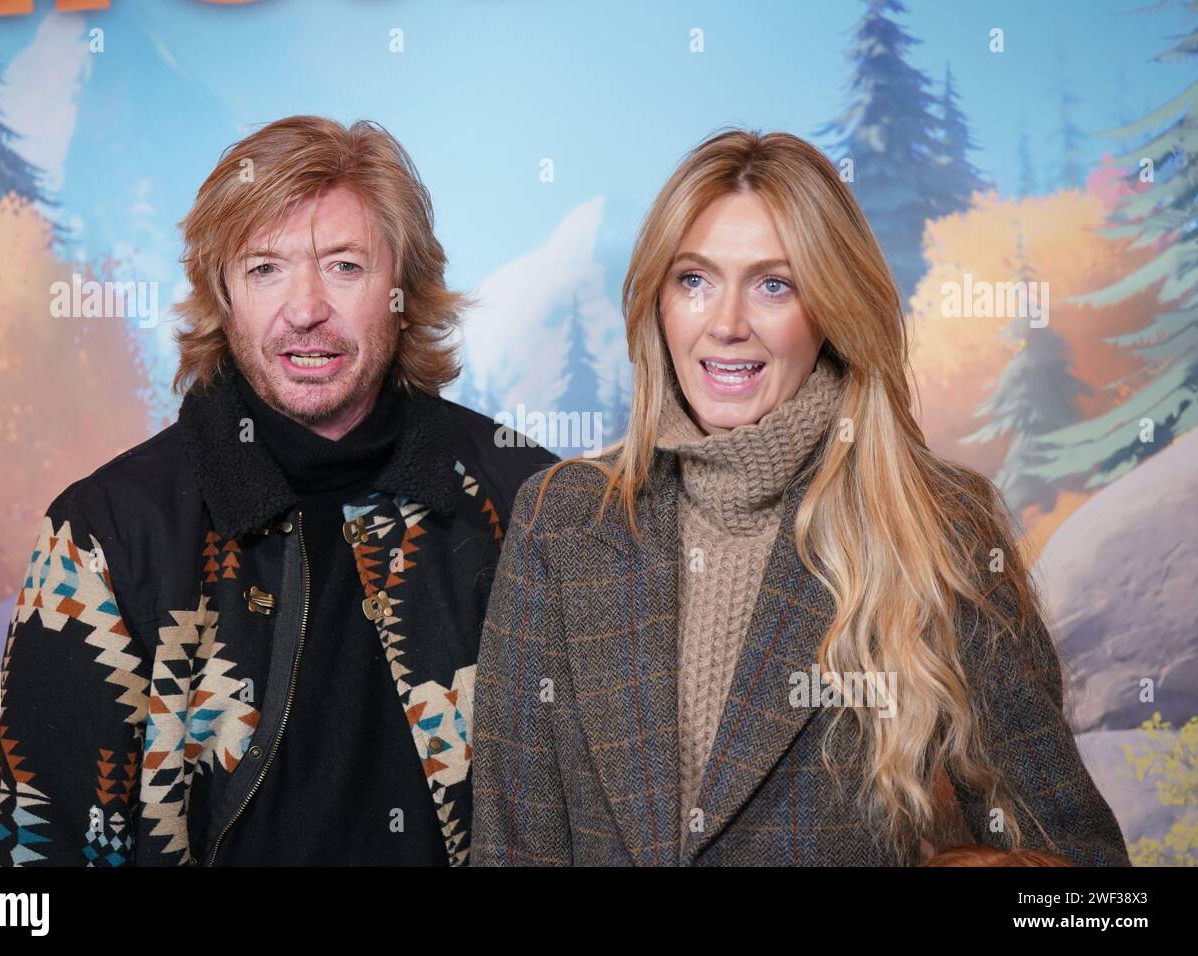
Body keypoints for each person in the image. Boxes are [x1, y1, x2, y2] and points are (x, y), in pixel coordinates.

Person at [470, 128, 1130, 866]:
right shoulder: (563, 521)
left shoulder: (939, 528)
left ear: (832, 308)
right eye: (694, 279)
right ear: (657, 301)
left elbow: (1090, 886)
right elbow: (513, 845)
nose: (725, 323)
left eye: (773, 284)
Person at [0, 115, 555, 866]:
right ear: (223, 297)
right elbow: (40, 864)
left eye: (345, 266)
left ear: (403, 287)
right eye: (265, 269)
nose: (305, 308)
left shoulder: (532, 505)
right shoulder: (107, 534)